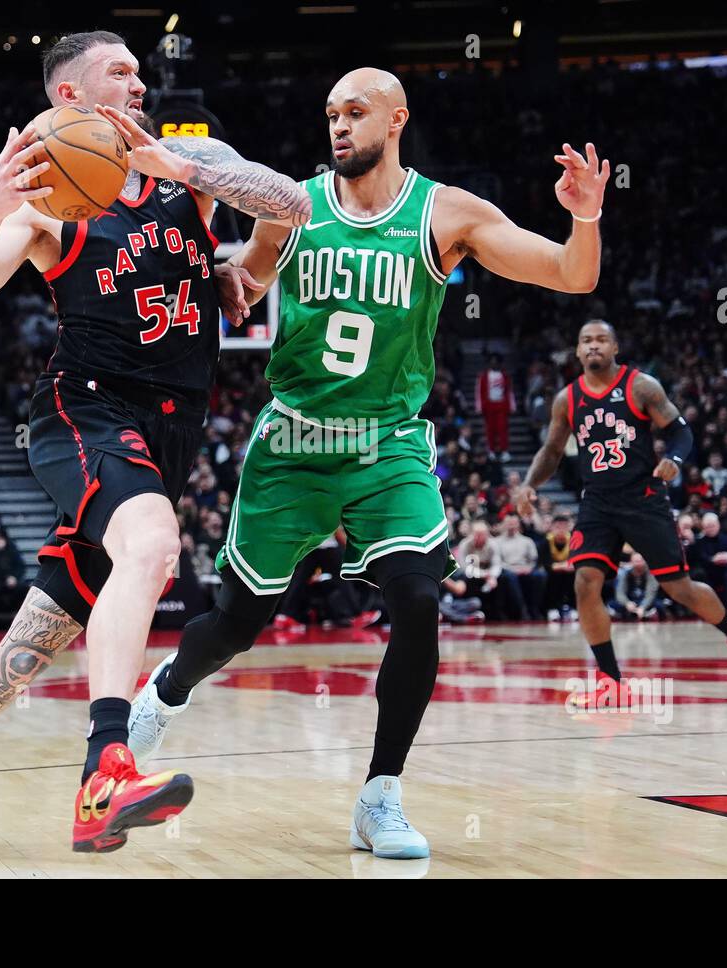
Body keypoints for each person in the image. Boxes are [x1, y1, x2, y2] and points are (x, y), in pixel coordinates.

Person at [0, 29, 309, 856]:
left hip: (167, 439)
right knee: (152, 544)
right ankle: (105, 770)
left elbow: (292, 203)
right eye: (121, 73)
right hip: (84, 413)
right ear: (69, 98)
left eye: (141, 72)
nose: (140, 85)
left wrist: (190, 187)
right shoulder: (46, 195)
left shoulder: (190, 163)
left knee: (21, 654)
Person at [126, 66, 609, 859]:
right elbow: (254, 273)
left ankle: (379, 796)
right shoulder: (296, 202)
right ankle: (168, 690)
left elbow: (571, 273)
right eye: (330, 114)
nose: (339, 125)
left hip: (387, 440)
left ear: (396, 120)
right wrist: (232, 280)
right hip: (295, 441)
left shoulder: (445, 212)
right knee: (238, 624)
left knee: (418, 598)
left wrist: (584, 218)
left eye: (355, 112)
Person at [524, 320, 727, 708]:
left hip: (643, 498)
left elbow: (681, 432)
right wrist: (529, 485)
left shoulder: (641, 386)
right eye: (586, 340)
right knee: (585, 581)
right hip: (598, 502)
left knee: (679, 589)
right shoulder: (566, 399)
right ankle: (610, 679)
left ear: (615, 347)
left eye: (601, 339)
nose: (593, 346)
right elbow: (552, 451)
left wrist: (673, 459)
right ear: (576, 351)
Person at [476, 353, 515, 461]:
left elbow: (509, 391)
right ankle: (491, 450)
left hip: (501, 405)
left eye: (496, 362)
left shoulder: (504, 375)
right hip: (489, 405)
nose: (494, 363)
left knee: (503, 428)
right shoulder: (484, 376)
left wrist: (512, 405)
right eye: (492, 361)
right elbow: (479, 392)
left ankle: (504, 451)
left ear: (499, 363)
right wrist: (479, 407)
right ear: (489, 363)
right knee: (490, 429)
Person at [612, 553, 661, 621]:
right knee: (612, 604)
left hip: (645, 601)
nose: (639, 563)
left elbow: (651, 594)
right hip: (630, 601)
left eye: (641, 561)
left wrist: (643, 607)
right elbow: (620, 593)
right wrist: (627, 603)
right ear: (631, 562)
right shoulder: (625, 574)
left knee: (659, 605)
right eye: (636, 561)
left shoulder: (651, 574)